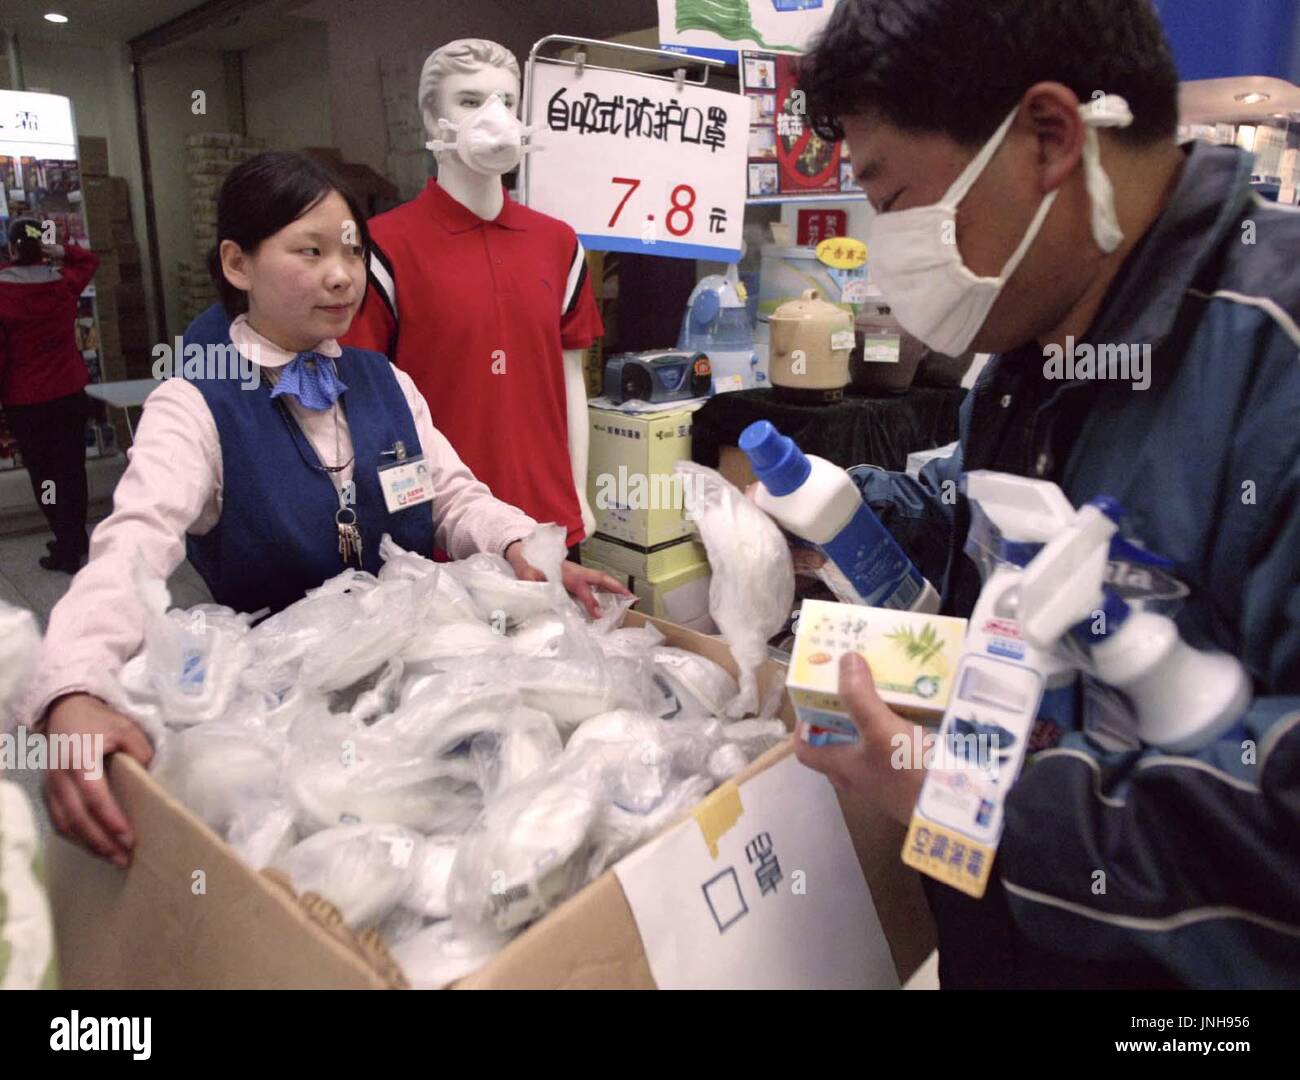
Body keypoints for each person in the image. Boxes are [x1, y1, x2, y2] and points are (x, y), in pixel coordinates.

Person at [794, 0, 1300, 988]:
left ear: (1048, 137)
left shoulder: (1269, 362)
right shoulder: (1036, 337)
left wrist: (971, 797)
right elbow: (994, 551)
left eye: (895, 202)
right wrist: (843, 522)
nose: (890, 256)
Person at [19, 151, 632, 869]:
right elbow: (130, 548)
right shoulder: (196, 406)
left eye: (351, 250)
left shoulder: (385, 382)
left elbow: (453, 497)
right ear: (237, 264)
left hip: (411, 702)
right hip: (278, 728)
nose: (341, 275)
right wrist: (72, 688)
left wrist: (527, 545)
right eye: (308, 251)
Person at [342, 38, 605, 561]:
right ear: (429, 117)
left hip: (549, 522)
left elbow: (570, 372)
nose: (495, 117)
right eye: (469, 101)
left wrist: (578, 491)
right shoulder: (382, 248)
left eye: (507, 102)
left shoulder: (559, 244)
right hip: (440, 532)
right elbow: (363, 399)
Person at [0, 218, 100, 572]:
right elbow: (89, 261)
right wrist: (61, 251)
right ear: (41, 248)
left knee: (45, 478)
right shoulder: (63, 284)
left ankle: (66, 544)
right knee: (72, 470)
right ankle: (76, 535)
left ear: (12, 249)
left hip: (26, 401)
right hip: (69, 393)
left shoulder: (3, 293)